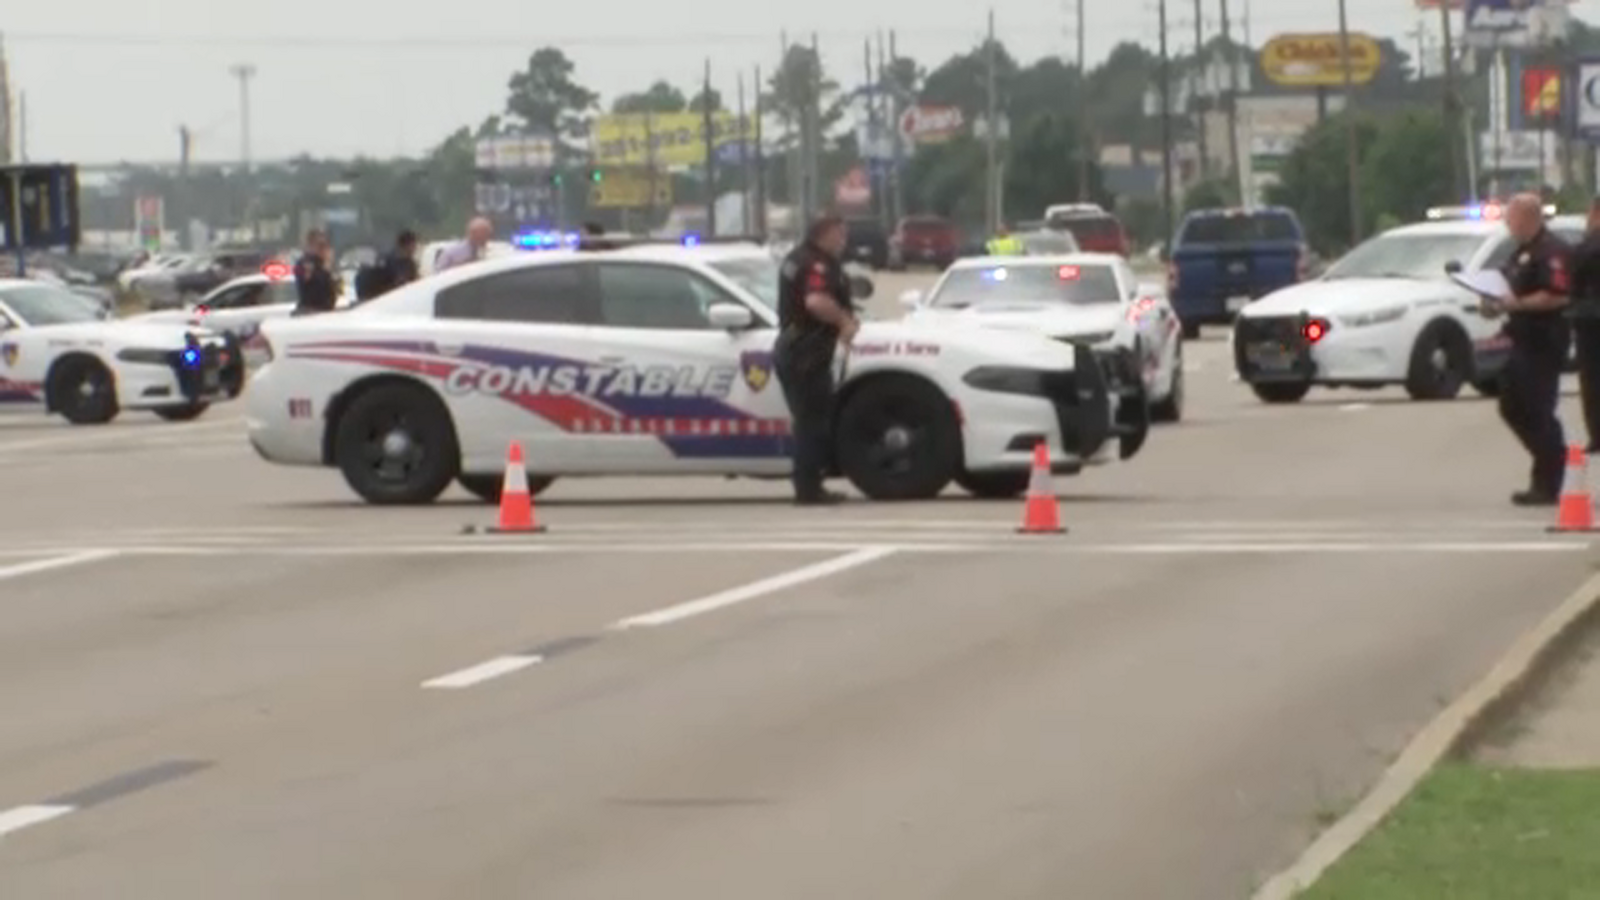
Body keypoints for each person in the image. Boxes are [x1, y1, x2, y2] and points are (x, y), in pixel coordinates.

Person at [1491, 193, 1573, 506]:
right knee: (1511, 405)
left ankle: (1548, 480)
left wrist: (1519, 303)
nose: (1508, 225)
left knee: (1538, 409)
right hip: (1520, 337)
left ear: (1528, 217)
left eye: (1511, 218)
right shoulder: (1521, 253)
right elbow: (1511, 289)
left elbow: (1559, 294)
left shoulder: (1552, 251)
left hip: (1544, 340)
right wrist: (1495, 303)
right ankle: (1547, 463)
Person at [775, 213, 860, 506]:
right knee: (812, 421)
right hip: (806, 350)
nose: (843, 239)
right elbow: (816, 301)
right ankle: (809, 489)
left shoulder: (798, 258)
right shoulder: (817, 264)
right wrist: (844, 322)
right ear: (824, 233)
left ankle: (809, 485)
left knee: (809, 419)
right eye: (840, 232)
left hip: (798, 346)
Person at [1568, 197, 1600, 452]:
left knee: (1592, 380)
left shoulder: (1586, 247)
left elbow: (1572, 283)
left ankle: (1598, 436)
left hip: (1591, 321)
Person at [355, 230, 419, 302]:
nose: (416, 248)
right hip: (383, 300)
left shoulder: (387, 258)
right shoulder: (402, 264)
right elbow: (403, 286)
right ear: (407, 245)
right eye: (414, 245)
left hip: (373, 298)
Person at [291, 228, 337, 316]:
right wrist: (326, 269)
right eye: (320, 246)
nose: (324, 249)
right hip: (311, 312)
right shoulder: (306, 263)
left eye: (326, 245)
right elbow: (314, 287)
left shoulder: (321, 263)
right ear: (310, 246)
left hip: (324, 312)